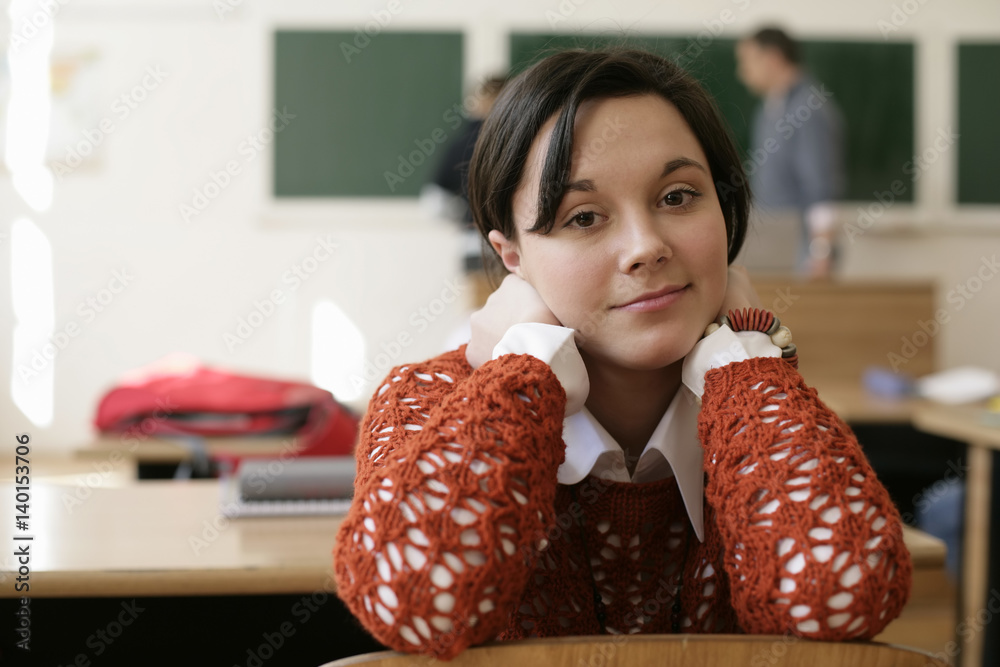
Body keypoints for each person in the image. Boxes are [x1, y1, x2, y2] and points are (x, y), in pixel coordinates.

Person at [334, 48, 910, 659]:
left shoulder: (763, 402)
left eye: (678, 197)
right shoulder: (425, 400)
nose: (646, 247)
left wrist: (742, 356)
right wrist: (523, 371)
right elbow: (418, 606)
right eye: (584, 217)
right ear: (513, 257)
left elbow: (845, 596)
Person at [735, 28, 844, 278]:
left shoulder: (809, 109)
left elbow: (821, 187)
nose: (741, 73)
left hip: (801, 255)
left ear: (772, 58)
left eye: (747, 62)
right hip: (774, 248)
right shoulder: (769, 110)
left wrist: (821, 253)